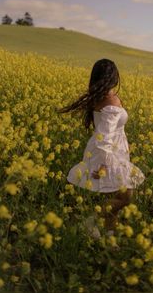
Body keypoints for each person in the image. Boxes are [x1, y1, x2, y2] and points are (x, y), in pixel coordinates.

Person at [59, 58, 145, 237]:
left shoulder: (99, 97)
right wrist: (103, 166)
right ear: (113, 77)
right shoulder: (111, 101)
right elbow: (105, 137)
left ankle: (110, 237)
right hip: (108, 154)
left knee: (118, 196)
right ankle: (91, 220)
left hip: (110, 152)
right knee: (125, 197)